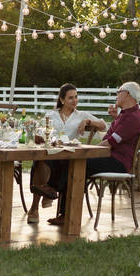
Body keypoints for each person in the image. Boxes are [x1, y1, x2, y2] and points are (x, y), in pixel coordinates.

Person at [49, 81, 140, 225]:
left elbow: (111, 141)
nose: (116, 95)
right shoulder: (125, 115)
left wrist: (89, 151)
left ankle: (58, 197)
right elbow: (109, 136)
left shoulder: (132, 118)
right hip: (111, 157)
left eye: (118, 92)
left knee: (78, 163)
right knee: (74, 162)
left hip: (119, 163)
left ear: (127, 94)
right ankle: (63, 208)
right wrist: (115, 118)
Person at [26, 83, 105, 223]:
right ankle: (43, 195)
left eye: (76, 97)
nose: (74, 100)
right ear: (62, 100)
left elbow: (103, 125)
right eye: (70, 98)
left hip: (69, 155)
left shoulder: (81, 115)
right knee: (40, 160)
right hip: (51, 151)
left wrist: (87, 121)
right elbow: (40, 130)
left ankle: (42, 197)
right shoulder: (51, 114)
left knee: (43, 162)